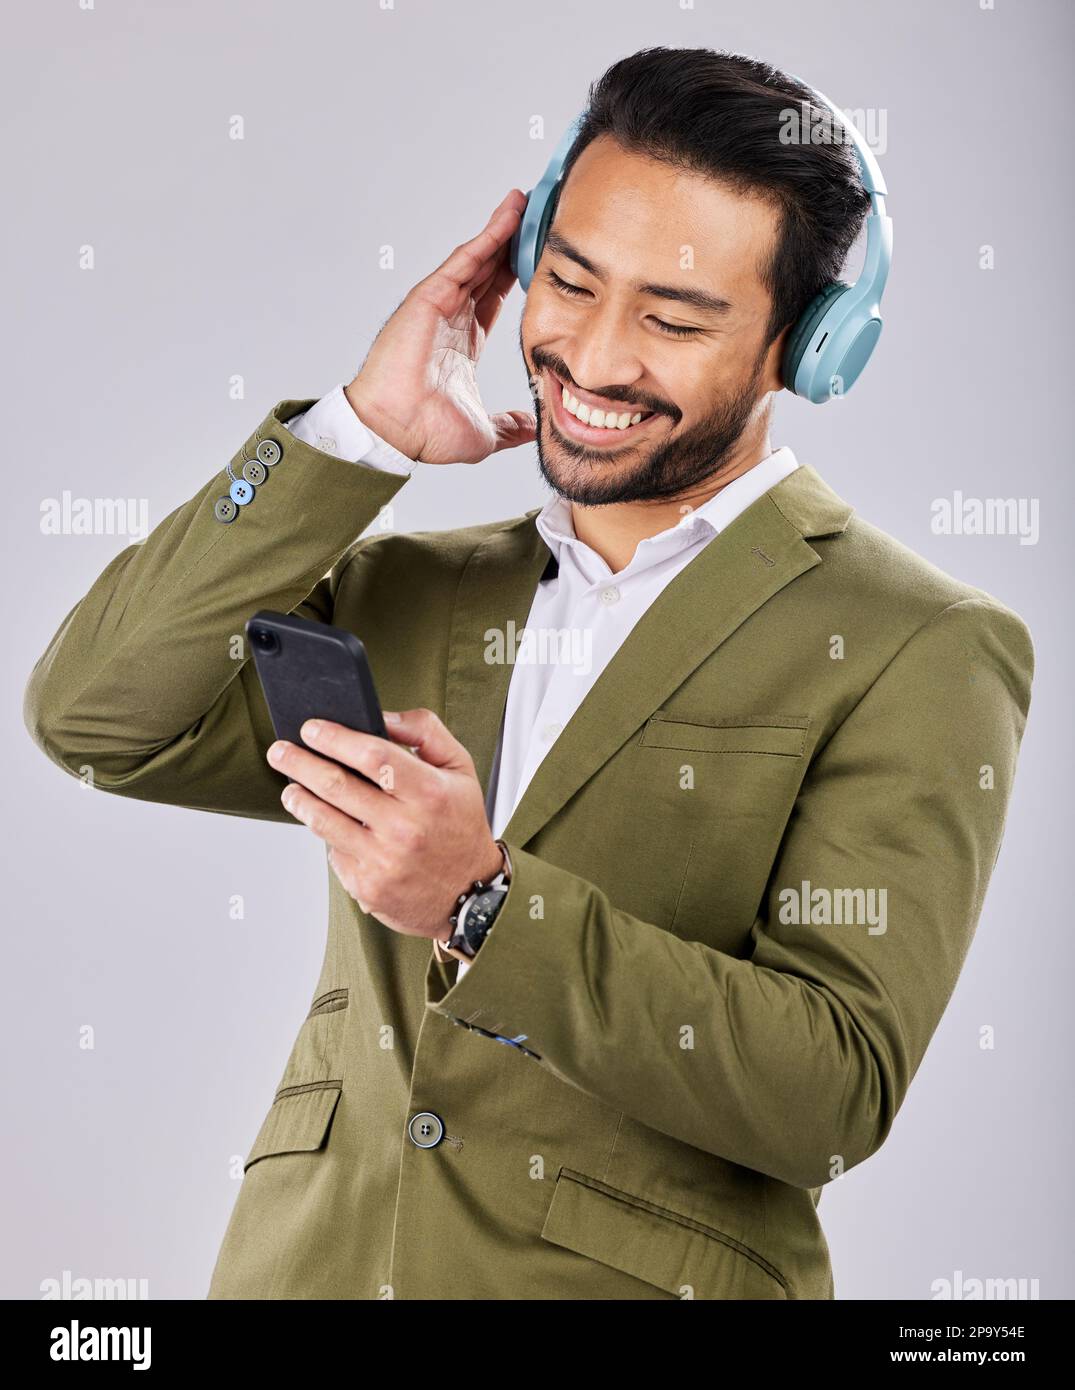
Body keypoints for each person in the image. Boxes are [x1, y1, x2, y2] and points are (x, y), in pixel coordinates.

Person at [24, 47, 1034, 1300]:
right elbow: (95, 719)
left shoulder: (916, 642)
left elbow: (831, 1087)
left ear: (807, 349)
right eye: (568, 280)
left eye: (673, 319)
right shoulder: (409, 589)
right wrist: (357, 434)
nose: (595, 357)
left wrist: (483, 905)